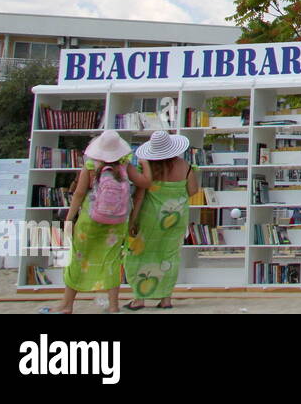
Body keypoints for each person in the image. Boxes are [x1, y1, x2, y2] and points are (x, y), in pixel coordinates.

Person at [42, 131, 150, 314]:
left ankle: (67, 305)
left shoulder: (91, 165)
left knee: (78, 259)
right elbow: (145, 183)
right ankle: (114, 306)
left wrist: (69, 220)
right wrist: (145, 164)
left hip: (90, 221)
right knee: (112, 261)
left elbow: (78, 194)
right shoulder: (125, 166)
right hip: (117, 223)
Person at [124, 130, 198, 310]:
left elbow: (139, 196)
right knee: (169, 256)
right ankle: (166, 299)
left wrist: (132, 220)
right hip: (176, 216)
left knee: (138, 254)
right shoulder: (185, 166)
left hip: (150, 215)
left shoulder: (147, 167)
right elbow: (193, 190)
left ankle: (139, 298)